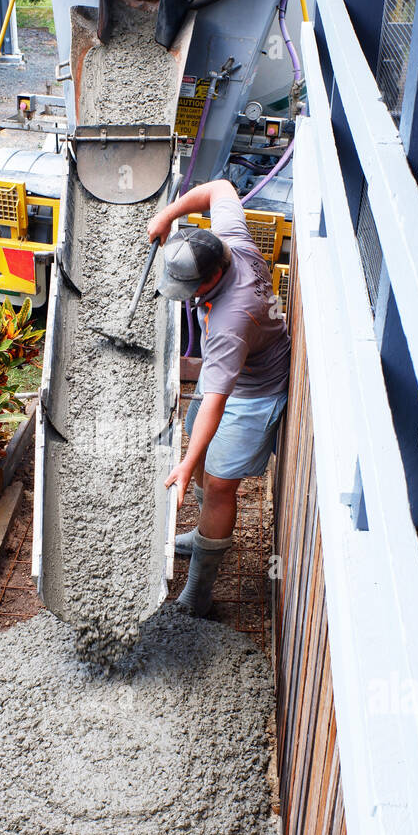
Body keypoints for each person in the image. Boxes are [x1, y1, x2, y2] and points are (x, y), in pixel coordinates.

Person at [150, 178, 290, 616]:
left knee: (218, 487)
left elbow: (215, 401)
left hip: (252, 394)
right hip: (228, 378)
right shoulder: (227, 241)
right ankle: (201, 538)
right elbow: (221, 188)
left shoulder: (232, 320)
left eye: (189, 289)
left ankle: (198, 593)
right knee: (201, 469)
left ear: (211, 279)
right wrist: (168, 215)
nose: (185, 297)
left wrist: (188, 460)